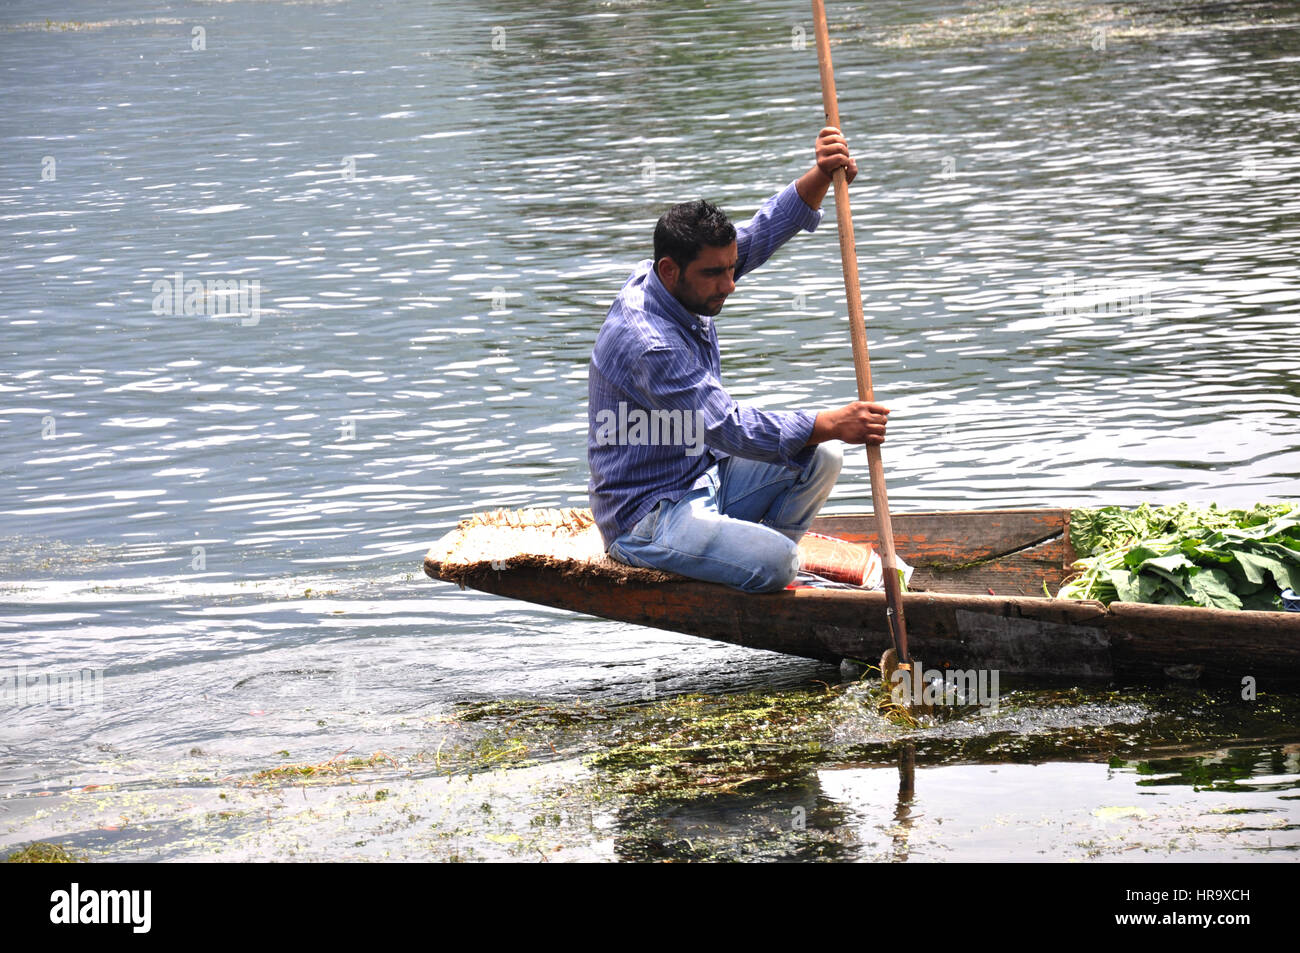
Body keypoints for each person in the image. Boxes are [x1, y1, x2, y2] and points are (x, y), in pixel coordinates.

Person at [587, 127, 890, 593]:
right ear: (670, 270)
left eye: (732, 269)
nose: (729, 284)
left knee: (821, 455)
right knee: (782, 561)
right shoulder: (650, 343)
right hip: (648, 516)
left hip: (701, 476)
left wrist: (822, 174)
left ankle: (746, 558)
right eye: (717, 274)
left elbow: (762, 230)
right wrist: (831, 420)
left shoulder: (679, 280)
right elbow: (727, 426)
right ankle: (763, 564)